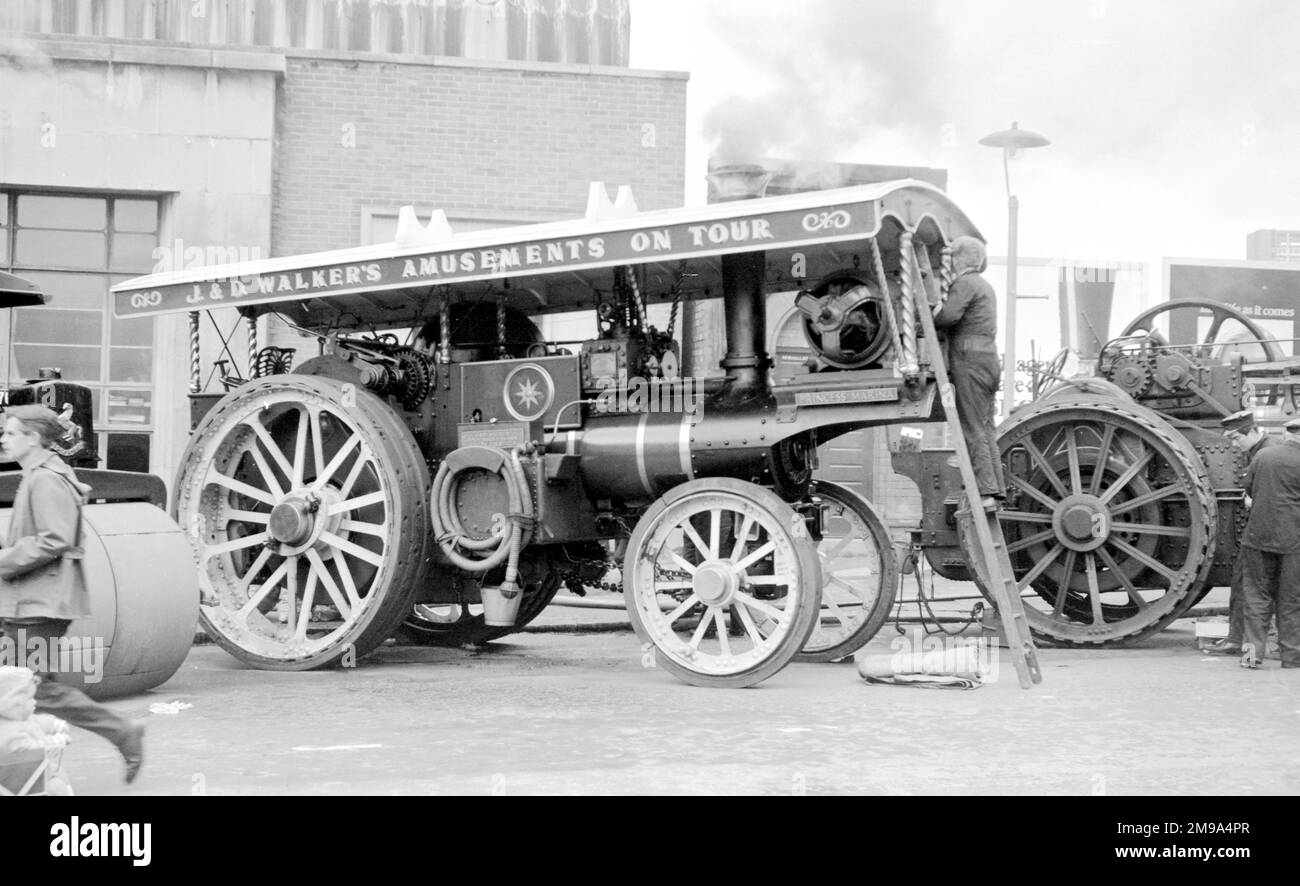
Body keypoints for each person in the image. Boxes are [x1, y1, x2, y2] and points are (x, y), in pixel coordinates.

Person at [0, 405, 145, 781]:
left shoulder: (45, 480)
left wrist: (3, 559)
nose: (4, 438)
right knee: (22, 685)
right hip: (33, 600)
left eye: (11, 433)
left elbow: (55, 537)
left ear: (33, 438)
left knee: (34, 690)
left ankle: (123, 732)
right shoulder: (40, 474)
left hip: (38, 603)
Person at [931, 236, 1005, 510]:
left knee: (971, 427)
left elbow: (947, 318)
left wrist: (930, 314)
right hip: (988, 360)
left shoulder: (965, 283)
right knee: (986, 428)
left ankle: (985, 491)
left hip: (969, 360)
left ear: (960, 259)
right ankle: (995, 490)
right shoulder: (986, 286)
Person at [1203, 410, 1281, 656]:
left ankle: (1246, 642)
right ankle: (1239, 639)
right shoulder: (1261, 449)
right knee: (1244, 584)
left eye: (1236, 438)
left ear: (1251, 431)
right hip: (1266, 531)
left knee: (1256, 587)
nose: (1234, 445)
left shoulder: (1267, 453)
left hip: (1266, 532)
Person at [1238, 416, 1300, 669]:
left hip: (1257, 538)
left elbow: (1249, 490)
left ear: (1287, 434)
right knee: (1291, 600)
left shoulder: (1263, 457)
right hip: (1293, 541)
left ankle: (1252, 656)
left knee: (1255, 599)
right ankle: (1292, 657)